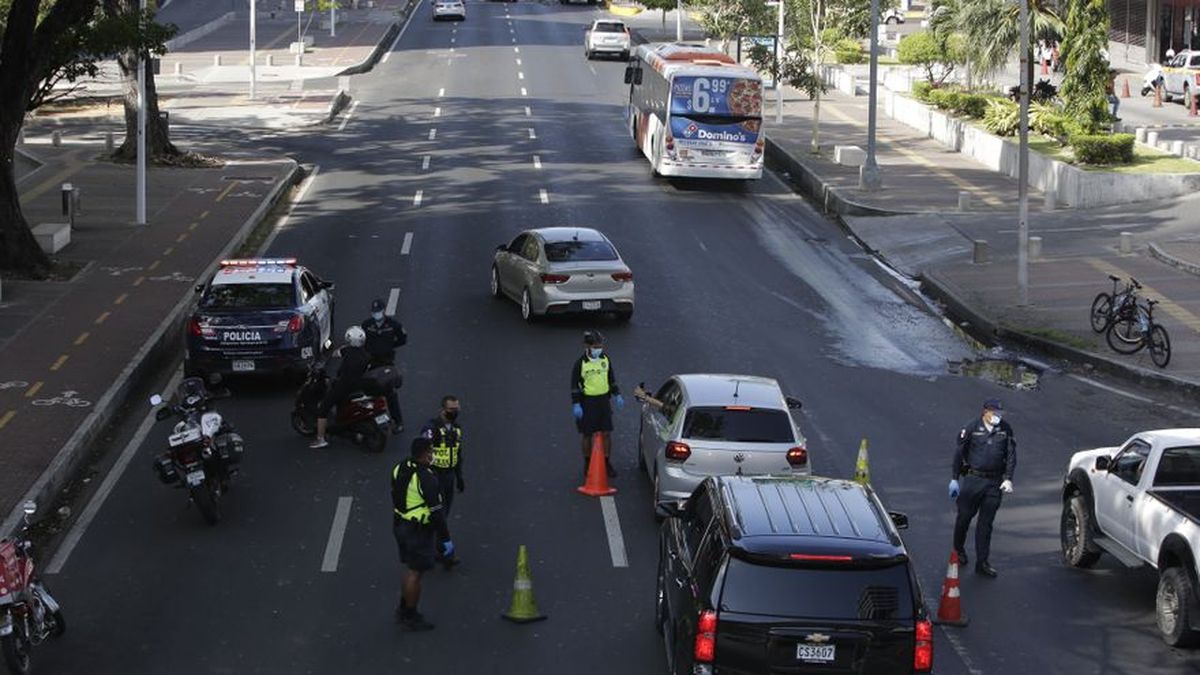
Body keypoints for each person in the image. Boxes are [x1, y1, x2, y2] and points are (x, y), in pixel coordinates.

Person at [948, 398, 1017, 578]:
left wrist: (1008, 478)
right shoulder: (971, 428)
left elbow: (1011, 455)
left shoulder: (1005, 429)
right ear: (985, 412)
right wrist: (955, 478)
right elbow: (959, 453)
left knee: (986, 524)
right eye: (995, 413)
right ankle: (958, 550)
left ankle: (982, 562)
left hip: (994, 482)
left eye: (1000, 413)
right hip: (974, 479)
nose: (998, 416)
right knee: (964, 518)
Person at [392, 437, 453, 630]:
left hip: (400, 524)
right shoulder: (426, 477)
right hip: (418, 531)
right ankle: (410, 615)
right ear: (425, 454)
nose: (433, 455)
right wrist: (445, 539)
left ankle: (403, 607)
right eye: (431, 452)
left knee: (410, 569)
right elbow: (437, 511)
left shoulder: (400, 467)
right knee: (416, 573)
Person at [570, 330, 623, 478]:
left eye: (600, 346)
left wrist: (617, 394)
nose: (598, 349)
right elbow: (574, 386)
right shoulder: (580, 364)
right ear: (587, 346)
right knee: (587, 434)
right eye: (595, 346)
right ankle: (587, 463)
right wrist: (576, 404)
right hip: (588, 402)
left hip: (603, 401)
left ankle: (606, 463)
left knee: (606, 433)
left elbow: (611, 379)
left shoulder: (605, 359)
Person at [309, 326, 372, 449]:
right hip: (359, 386)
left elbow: (333, 354)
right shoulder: (366, 354)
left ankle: (320, 439)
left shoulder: (346, 351)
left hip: (343, 385)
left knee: (324, 407)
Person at [421, 395, 463, 569]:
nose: (455, 412)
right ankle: (447, 553)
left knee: (443, 515)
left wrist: (459, 477)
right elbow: (421, 451)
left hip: (449, 477)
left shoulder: (457, 429)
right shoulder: (432, 429)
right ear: (443, 409)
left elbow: (458, 453)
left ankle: (430, 547)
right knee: (440, 517)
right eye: (452, 409)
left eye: (457, 408)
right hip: (435, 476)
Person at [362, 298, 408, 434]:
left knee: (390, 391)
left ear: (383, 311)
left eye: (378, 311)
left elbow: (402, 339)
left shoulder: (394, 325)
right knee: (368, 388)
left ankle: (398, 421)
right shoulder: (367, 325)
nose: (376, 314)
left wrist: (388, 347)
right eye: (374, 311)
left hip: (386, 361)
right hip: (370, 361)